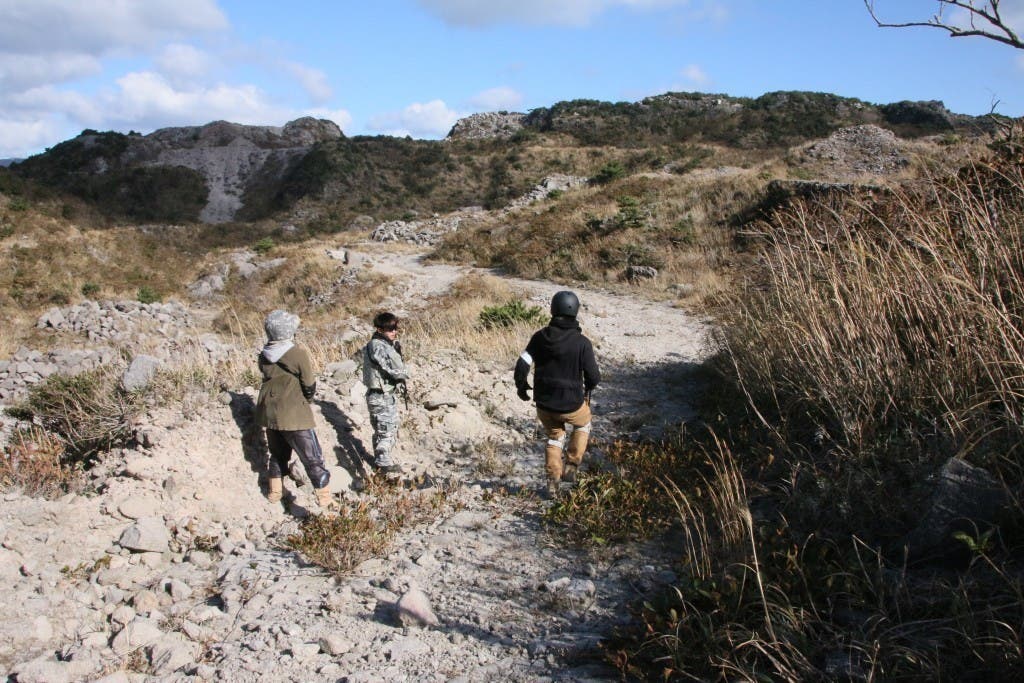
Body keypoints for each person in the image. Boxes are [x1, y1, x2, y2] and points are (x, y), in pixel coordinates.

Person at [514, 290, 601, 498]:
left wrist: (521, 386)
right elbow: (594, 376)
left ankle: (553, 483)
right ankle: (572, 464)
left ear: (553, 310)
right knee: (583, 424)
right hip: (572, 404)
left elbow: (523, 363)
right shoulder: (582, 343)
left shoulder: (539, 337)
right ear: (575, 312)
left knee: (555, 437)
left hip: (544, 404)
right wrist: (588, 388)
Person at [255, 309, 336, 511]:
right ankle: (325, 501)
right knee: (313, 458)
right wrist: (307, 399)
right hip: (294, 414)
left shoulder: (264, 355)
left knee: (277, 454)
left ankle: (274, 494)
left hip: (269, 413)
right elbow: (309, 383)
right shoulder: (297, 353)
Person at [362, 311, 409, 474]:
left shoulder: (379, 344)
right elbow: (394, 369)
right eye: (390, 329)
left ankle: (380, 462)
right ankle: (385, 465)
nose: (394, 332)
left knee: (380, 430)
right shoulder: (378, 346)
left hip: (378, 395)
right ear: (380, 329)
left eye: (395, 328)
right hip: (381, 396)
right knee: (387, 430)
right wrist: (402, 372)